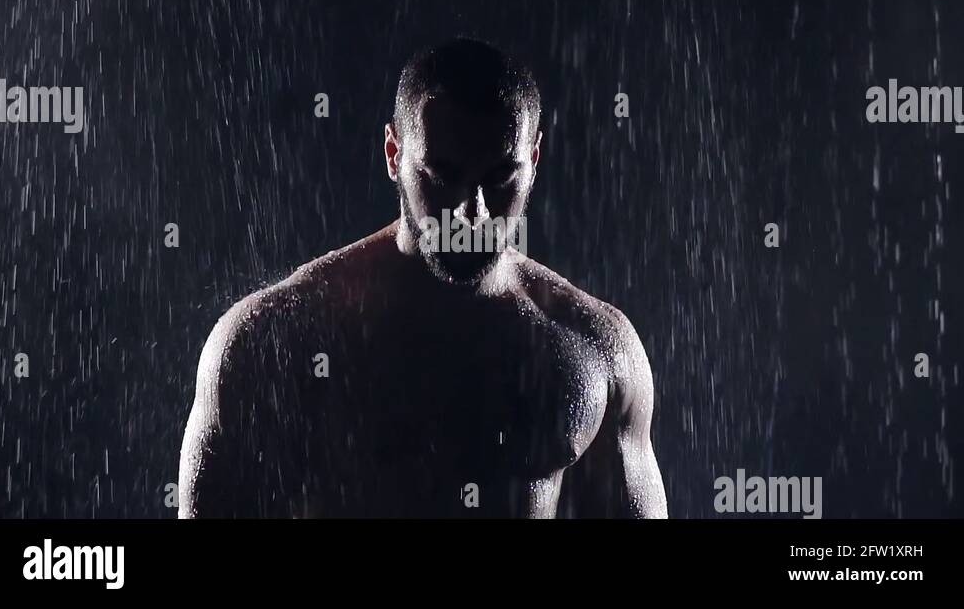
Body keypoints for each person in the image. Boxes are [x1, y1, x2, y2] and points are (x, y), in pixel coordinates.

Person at [179, 38, 667, 518]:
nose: (470, 213)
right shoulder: (272, 343)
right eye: (442, 175)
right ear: (394, 154)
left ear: (533, 162)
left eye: (499, 179)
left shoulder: (596, 351)